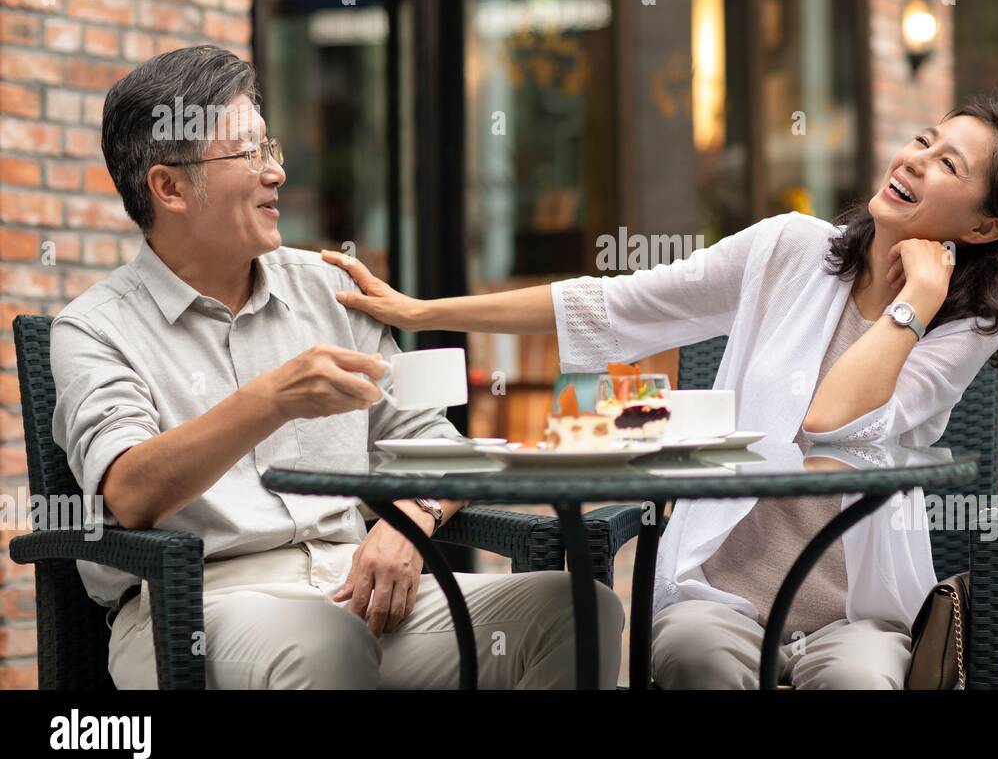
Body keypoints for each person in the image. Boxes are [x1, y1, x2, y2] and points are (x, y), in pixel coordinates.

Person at [324, 95, 998, 689]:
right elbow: (614, 305)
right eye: (924, 141)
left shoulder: (967, 327)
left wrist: (915, 304)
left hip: (857, 614)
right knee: (693, 657)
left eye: (948, 164)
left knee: (859, 682)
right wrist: (421, 311)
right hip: (724, 595)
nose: (915, 160)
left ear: (982, 225)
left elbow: (832, 416)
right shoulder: (788, 250)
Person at [51, 45, 624, 689]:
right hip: (195, 606)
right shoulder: (94, 328)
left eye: (271, 149)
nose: (276, 173)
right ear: (170, 188)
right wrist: (273, 398)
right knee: (325, 643)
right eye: (247, 155)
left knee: (578, 612)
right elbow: (129, 495)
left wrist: (412, 518)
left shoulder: (331, 291)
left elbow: (434, 445)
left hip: (356, 587)